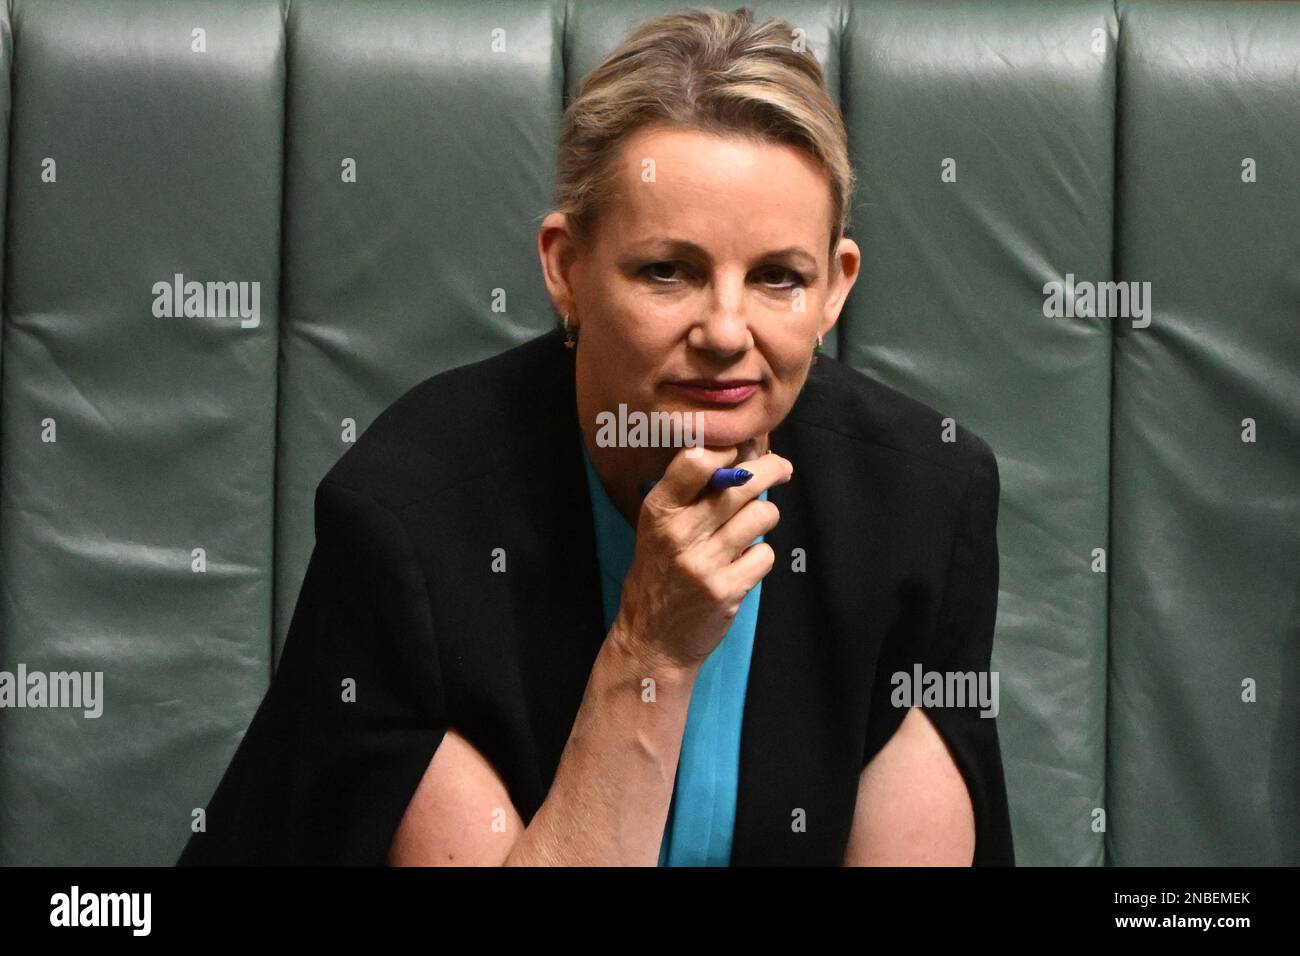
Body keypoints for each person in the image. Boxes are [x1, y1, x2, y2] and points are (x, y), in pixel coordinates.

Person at [178, 6, 1013, 867]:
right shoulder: (409, 521)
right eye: (668, 270)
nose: (726, 330)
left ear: (835, 288)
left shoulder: (922, 504)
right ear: (564, 267)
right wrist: (650, 646)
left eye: (777, 277)